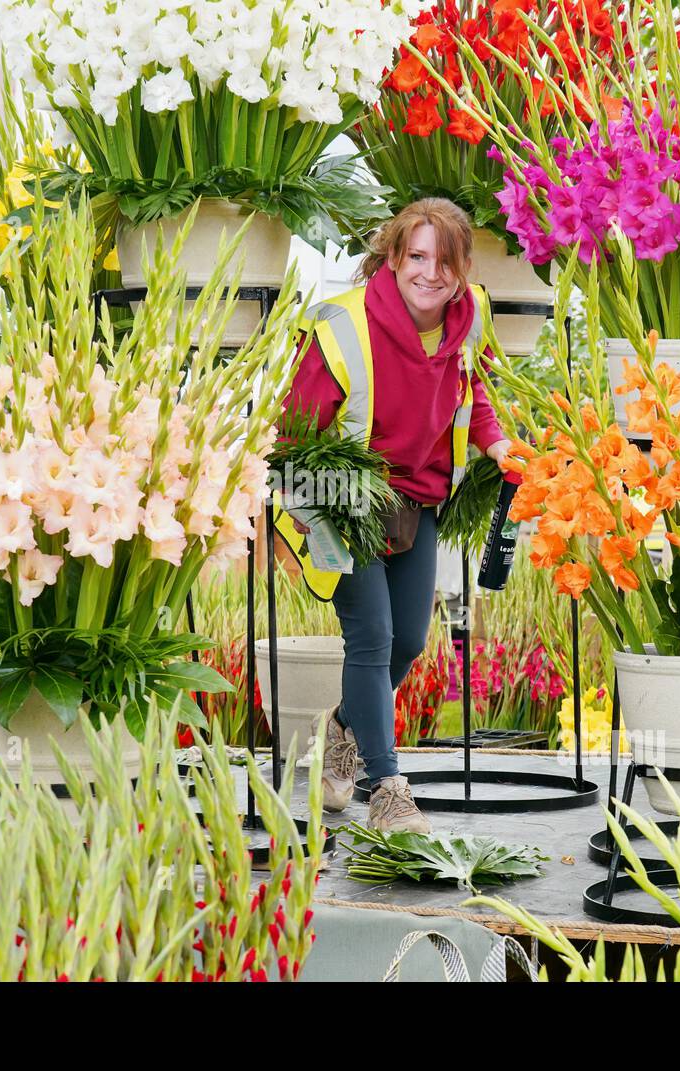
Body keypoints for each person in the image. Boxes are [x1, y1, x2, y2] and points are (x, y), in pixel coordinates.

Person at [276, 198, 511, 833]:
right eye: (416, 257)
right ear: (392, 257)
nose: (430, 274)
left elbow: (475, 387)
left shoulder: (469, 318)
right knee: (373, 638)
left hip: (417, 501)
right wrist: (306, 516)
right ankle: (388, 789)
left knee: (408, 640)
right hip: (342, 501)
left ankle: (345, 727)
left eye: (445, 261)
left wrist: (498, 445)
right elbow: (294, 435)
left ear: (462, 269)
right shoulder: (345, 325)